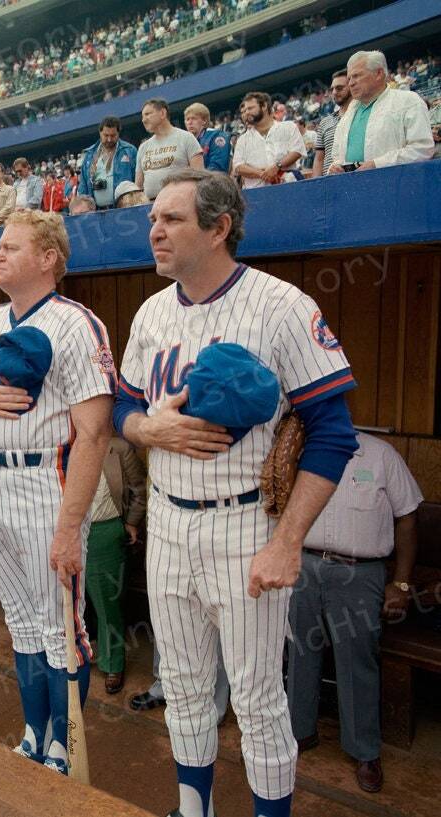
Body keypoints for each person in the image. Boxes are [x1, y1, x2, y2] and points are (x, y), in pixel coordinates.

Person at [113, 169, 359, 817]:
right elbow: (123, 405)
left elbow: (334, 434)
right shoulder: (152, 310)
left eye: (171, 219)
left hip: (246, 522)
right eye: (152, 219)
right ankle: (195, 811)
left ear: (219, 227)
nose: (155, 230)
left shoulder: (281, 305)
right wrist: (146, 426)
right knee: (187, 687)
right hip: (168, 518)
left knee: (255, 697)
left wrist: (287, 542)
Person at [0, 210, 115, 772]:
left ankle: (65, 745)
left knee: (61, 625)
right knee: (20, 623)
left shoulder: (78, 323)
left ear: (47, 259)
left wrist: (69, 526)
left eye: (11, 247)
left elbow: (94, 431)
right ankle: (34, 735)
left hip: (49, 477)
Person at [288, 431, 422, 794]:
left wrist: (402, 583)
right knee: (300, 653)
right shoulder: (305, 450)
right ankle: (299, 733)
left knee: (357, 659)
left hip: (361, 573)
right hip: (307, 566)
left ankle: (364, 750)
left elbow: (408, 517)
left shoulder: (381, 455)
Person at [87, 436, 146, 694]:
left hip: (106, 531)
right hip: (68, 529)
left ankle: (112, 663)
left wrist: (131, 522)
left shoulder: (118, 448)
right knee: (66, 597)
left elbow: (139, 490)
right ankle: (74, 652)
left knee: (107, 602)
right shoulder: (64, 441)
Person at [329, 50, 434, 173]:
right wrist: (335, 166)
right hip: (354, 187)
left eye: (356, 76)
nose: (351, 83)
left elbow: (422, 149)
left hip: (396, 185)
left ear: (378, 73)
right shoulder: (348, 113)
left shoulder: (408, 102)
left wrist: (377, 164)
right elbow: (336, 155)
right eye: (349, 78)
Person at [233, 92, 307, 188]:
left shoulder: (289, 127)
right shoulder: (242, 140)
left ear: (264, 106)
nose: (246, 112)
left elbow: (297, 151)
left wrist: (277, 167)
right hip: (256, 193)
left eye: (250, 108)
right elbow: (238, 166)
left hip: (289, 187)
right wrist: (262, 174)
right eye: (245, 109)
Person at [135, 99, 204, 200]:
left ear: (163, 113)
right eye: (142, 116)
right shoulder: (143, 147)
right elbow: (138, 187)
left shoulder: (186, 138)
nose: (143, 120)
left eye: (148, 114)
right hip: (151, 207)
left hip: (180, 203)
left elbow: (200, 177)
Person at [78, 115, 138, 209]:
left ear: (118, 133)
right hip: (96, 211)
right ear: (100, 132)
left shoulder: (129, 151)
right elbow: (83, 185)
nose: (109, 139)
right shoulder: (89, 154)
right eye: (106, 135)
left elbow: (138, 180)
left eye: (113, 136)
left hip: (124, 208)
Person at [312, 70, 352, 178]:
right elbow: (319, 159)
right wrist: (317, 185)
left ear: (352, 86)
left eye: (339, 88)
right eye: (332, 89)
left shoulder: (362, 116)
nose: (334, 92)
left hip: (355, 179)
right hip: (329, 185)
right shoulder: (325, 122)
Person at [184, 103, 232, 174]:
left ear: (204, 121)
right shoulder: (186, 142)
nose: (190, 122)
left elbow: (217, 167)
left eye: (194, 118)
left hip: (215, 182)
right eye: (187, 119)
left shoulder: (217, 136)